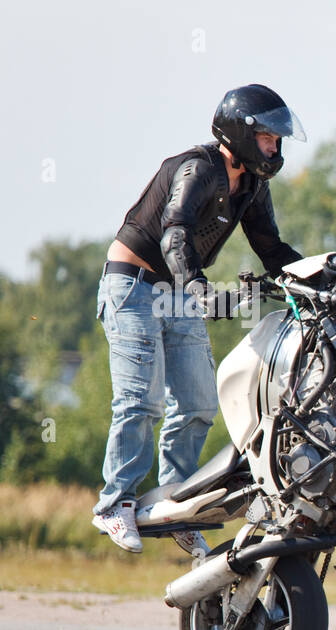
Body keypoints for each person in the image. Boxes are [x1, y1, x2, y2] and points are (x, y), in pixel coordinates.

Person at [91, 84, 305, 554]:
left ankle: (175, 504)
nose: (275, 148)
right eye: (269, 138)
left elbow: (271, 248)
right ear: (242, 134)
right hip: (135, 286)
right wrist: (198, 287)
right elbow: (174, 233)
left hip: (178, 289)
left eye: (276, 140)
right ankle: (114, 504)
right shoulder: (198, 168)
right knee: (139, 401)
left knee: (198, 404)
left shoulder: (252, 184)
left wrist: (317, 276)